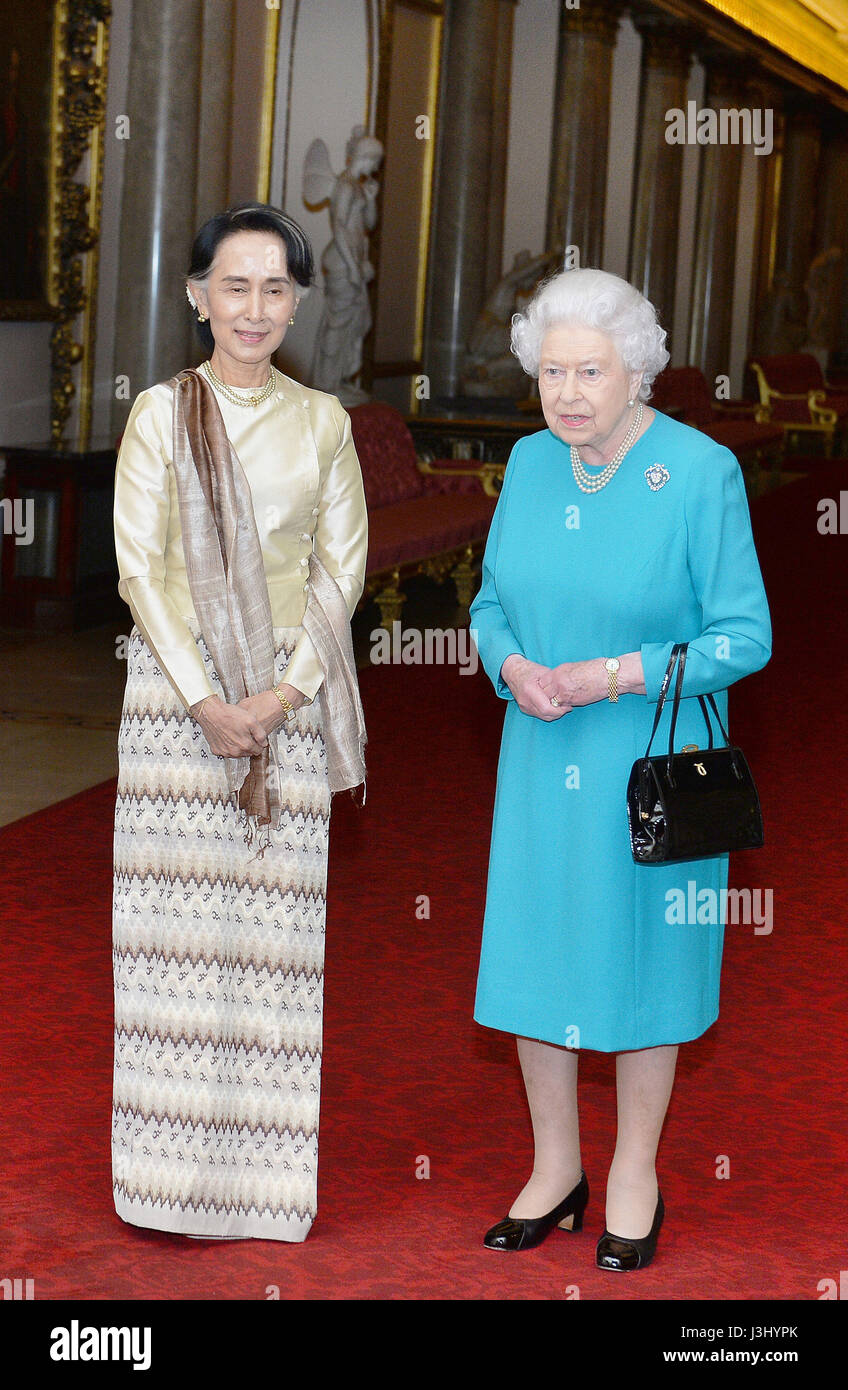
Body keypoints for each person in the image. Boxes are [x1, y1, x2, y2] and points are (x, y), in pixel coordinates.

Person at [470, 267, 771, 1270]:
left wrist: (615, 673)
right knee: (534, 956)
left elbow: (743, 637)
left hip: (651, 756)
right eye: (550, 370)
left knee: (647, 965)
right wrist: (509, 663)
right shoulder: (525, 464)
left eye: (587, 370)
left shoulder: (694, 472)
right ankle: (554, 1167)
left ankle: (634, 1169)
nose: (564, 392)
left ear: (635, 369)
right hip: (539, 742)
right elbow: (487, 604)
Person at [111, 203, 368, 1242]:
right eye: (234, 285)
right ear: (196, 295)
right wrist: (208, 699)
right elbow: (141, 568)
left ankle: (260, 1187)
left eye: (274, 288)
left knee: (270, 950)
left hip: (286, 713)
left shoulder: (323, 423)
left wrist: (279, 695)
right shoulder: (161, 416)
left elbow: (338, 571)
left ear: (297, 302)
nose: (253, 307)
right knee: (172, 943)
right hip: (176, 712)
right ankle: (163, 1180)